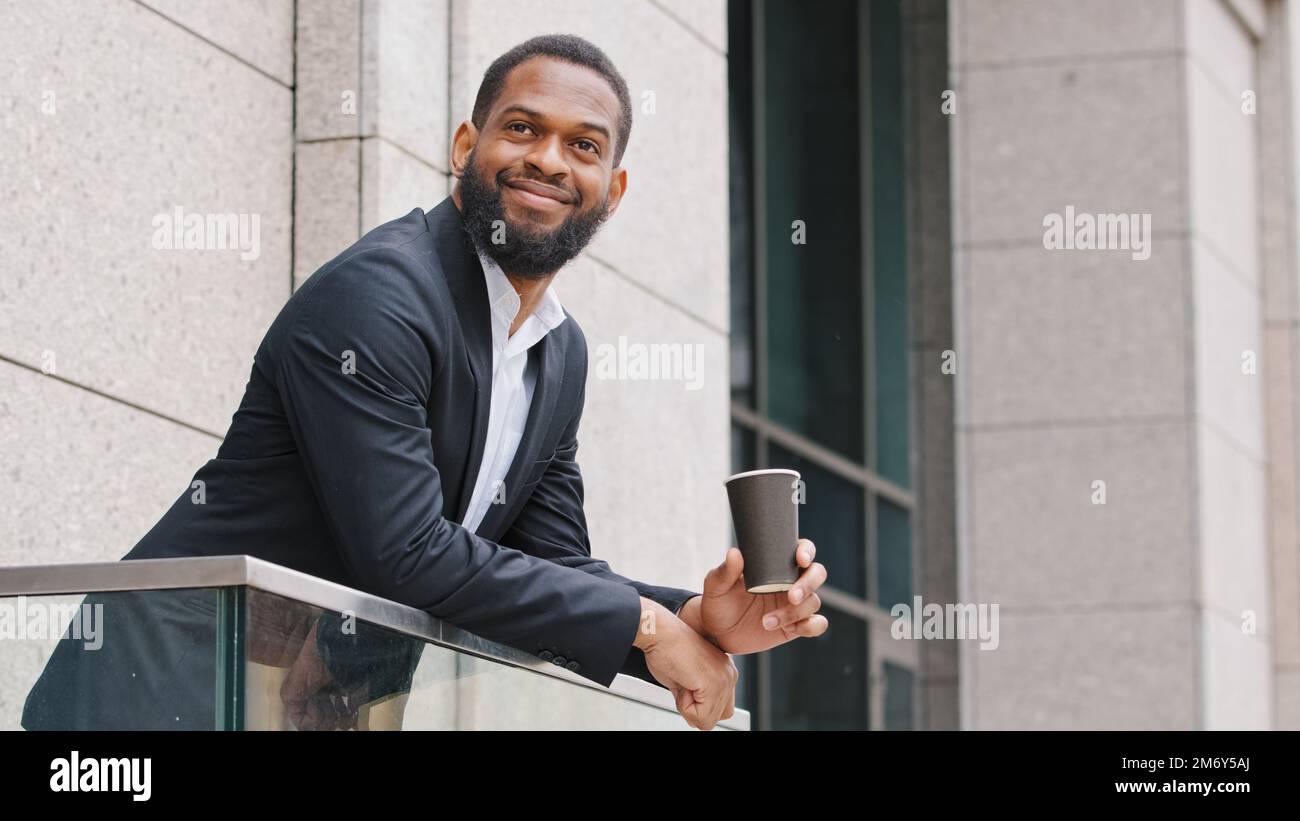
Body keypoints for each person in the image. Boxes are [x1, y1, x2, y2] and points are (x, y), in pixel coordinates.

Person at [23, 33, 827, 732]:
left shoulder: (558, 353)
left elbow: (549, 566)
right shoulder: (377, 296)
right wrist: (651, 628)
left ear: (612, 191)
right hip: (157, 698)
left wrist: (695, 618)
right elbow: (406, 553)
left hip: (302, 705)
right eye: (522, 129)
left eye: (584, 145)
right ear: (463, 146)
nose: (548, 159)